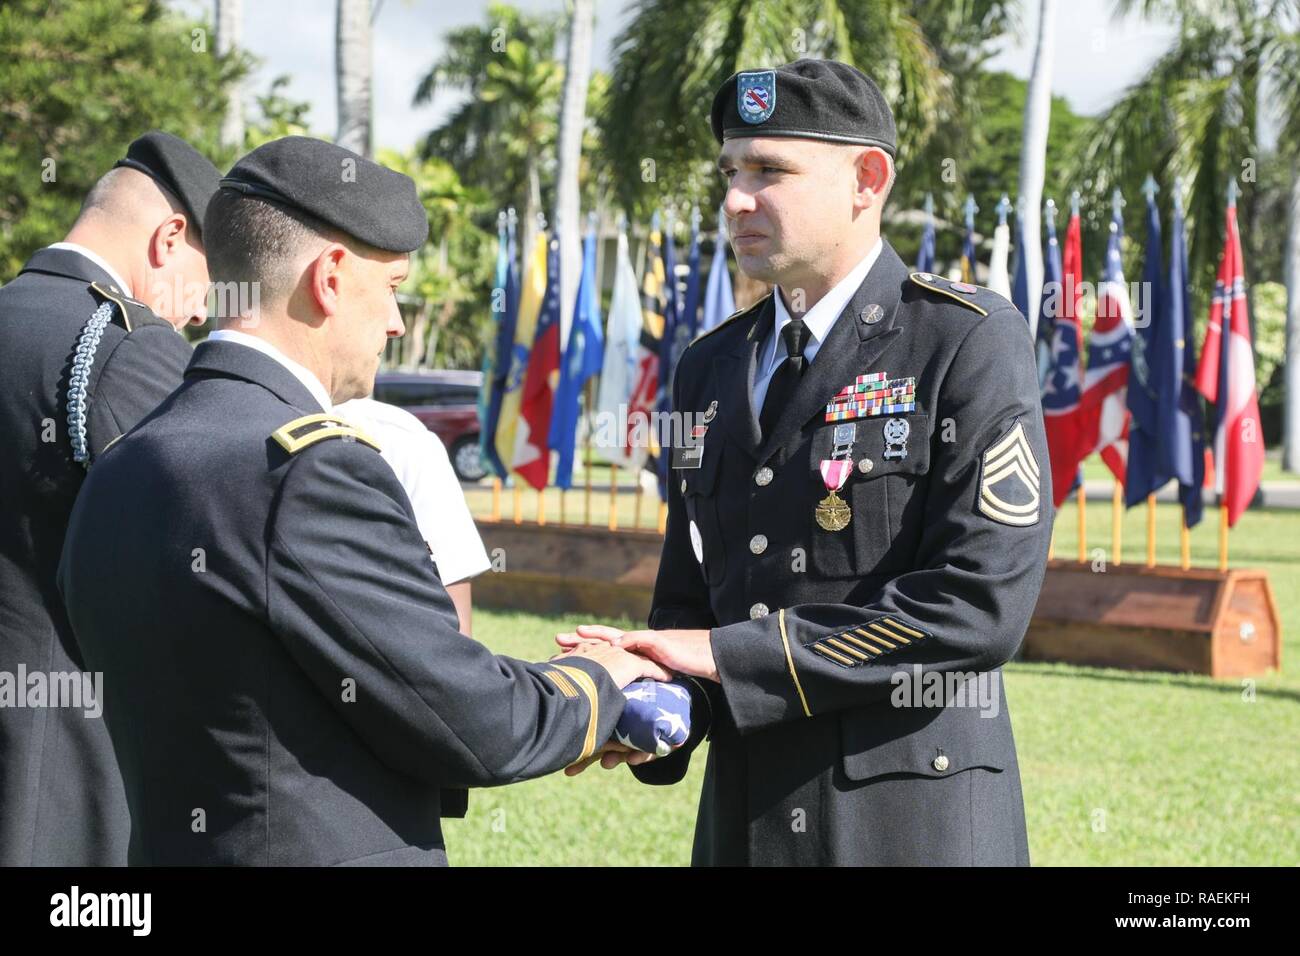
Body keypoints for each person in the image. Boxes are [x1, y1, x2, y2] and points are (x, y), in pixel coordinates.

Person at [57, 136, 664, 866]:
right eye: (395, 288)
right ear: (333, 277)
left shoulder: (122, 461)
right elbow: (473, 718)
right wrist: (603, 678)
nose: (397, 324)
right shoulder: (311, 473)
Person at [560, 59, 1053, 865]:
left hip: (905, 824)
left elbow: (977, 607)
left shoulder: (963, 339)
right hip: (747, 819)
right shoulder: (708, 367)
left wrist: (720, 657)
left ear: (868, 178)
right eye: (729, 172)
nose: (735, 200)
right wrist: (652, 693)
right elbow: (690, 601)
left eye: (770, 172)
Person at [0, 131, 220, 866]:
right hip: (60, 773)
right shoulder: (131, 347)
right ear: (169, 238)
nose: (196, 315)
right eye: (205, 283)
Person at [335, 395, 490, 635]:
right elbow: (458, 632)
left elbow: (455, 622)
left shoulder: (399, 435)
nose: (379, 354)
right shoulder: (397, 435)